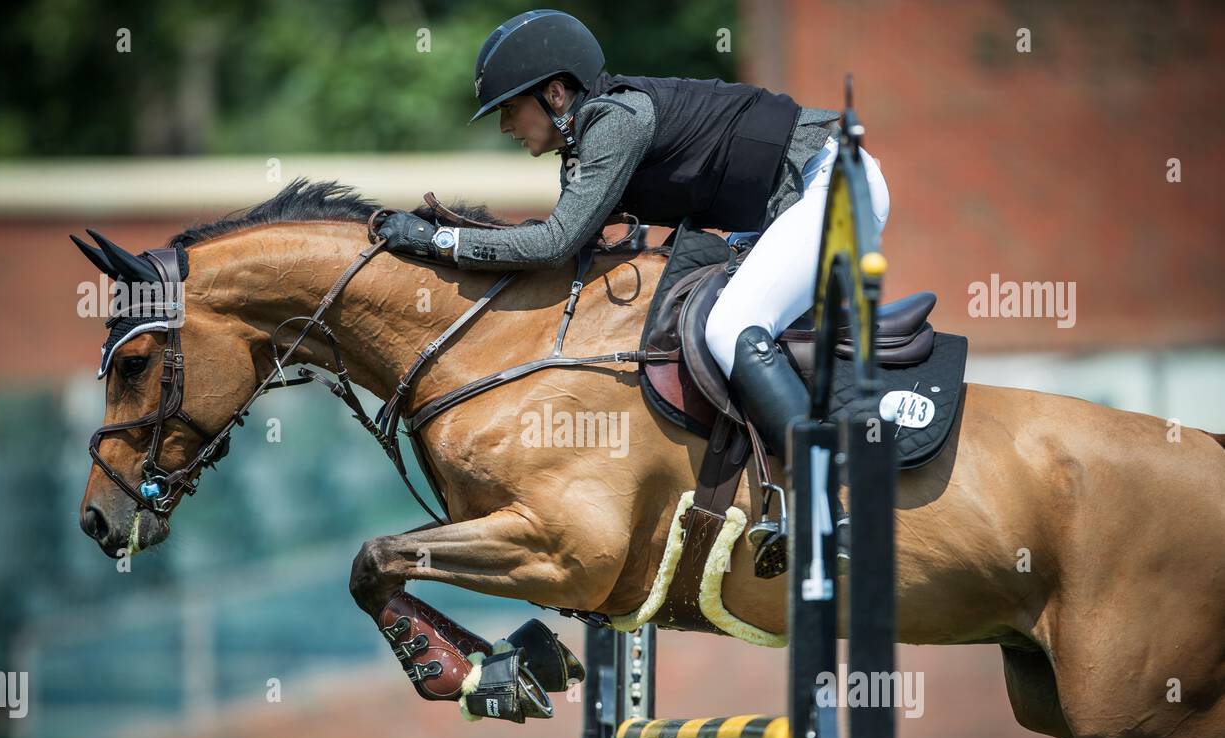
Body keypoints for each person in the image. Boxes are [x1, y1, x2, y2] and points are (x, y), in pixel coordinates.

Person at [377, 9, 889, 562]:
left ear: (554, 93)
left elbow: (553, 244)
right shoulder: (587, 138)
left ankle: (830, 504)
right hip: (783, 204)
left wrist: (442, 245)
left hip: (831, 184)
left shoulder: (615, 121)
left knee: (733, 325)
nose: (505, 127)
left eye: (509, 108)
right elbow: (563, 246)